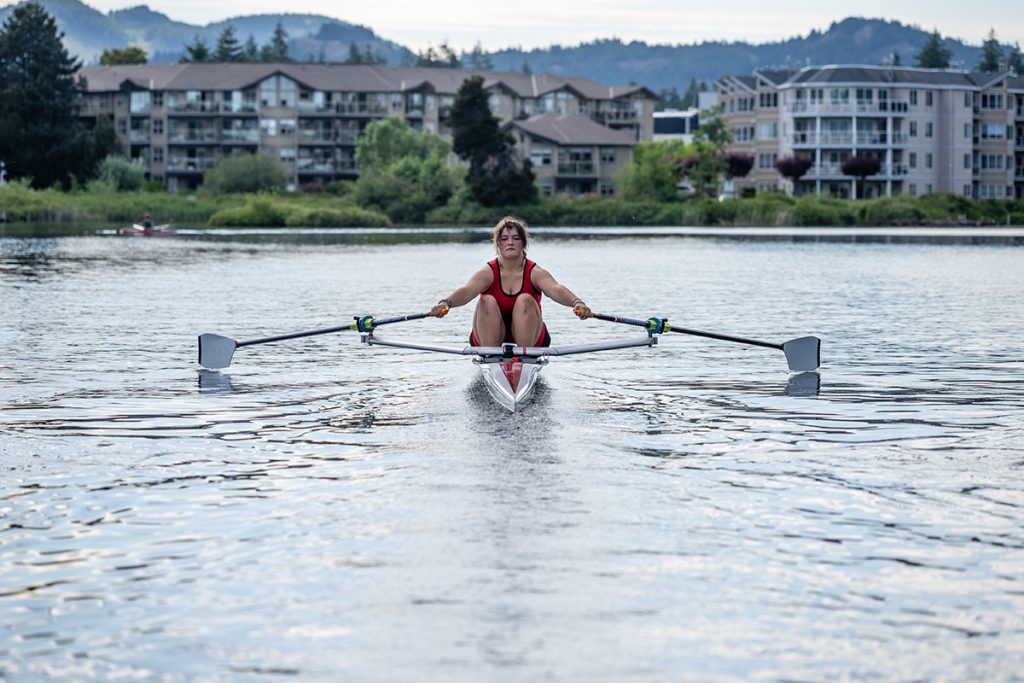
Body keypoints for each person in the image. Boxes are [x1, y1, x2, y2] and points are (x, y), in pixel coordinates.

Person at [428, 216, 593, 347]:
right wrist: (446, 303)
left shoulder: (535, 273)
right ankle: (491, 356)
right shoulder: (488, 273)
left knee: (525, 299)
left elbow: (556, 289)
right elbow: (466, 291)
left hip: (530, 336)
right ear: (498, 245)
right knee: (486, 301)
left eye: (515, 238)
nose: (510, 242)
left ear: (523, 243)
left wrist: (577, 302)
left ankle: (523, 359)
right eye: (504, 239)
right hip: (490, 334)